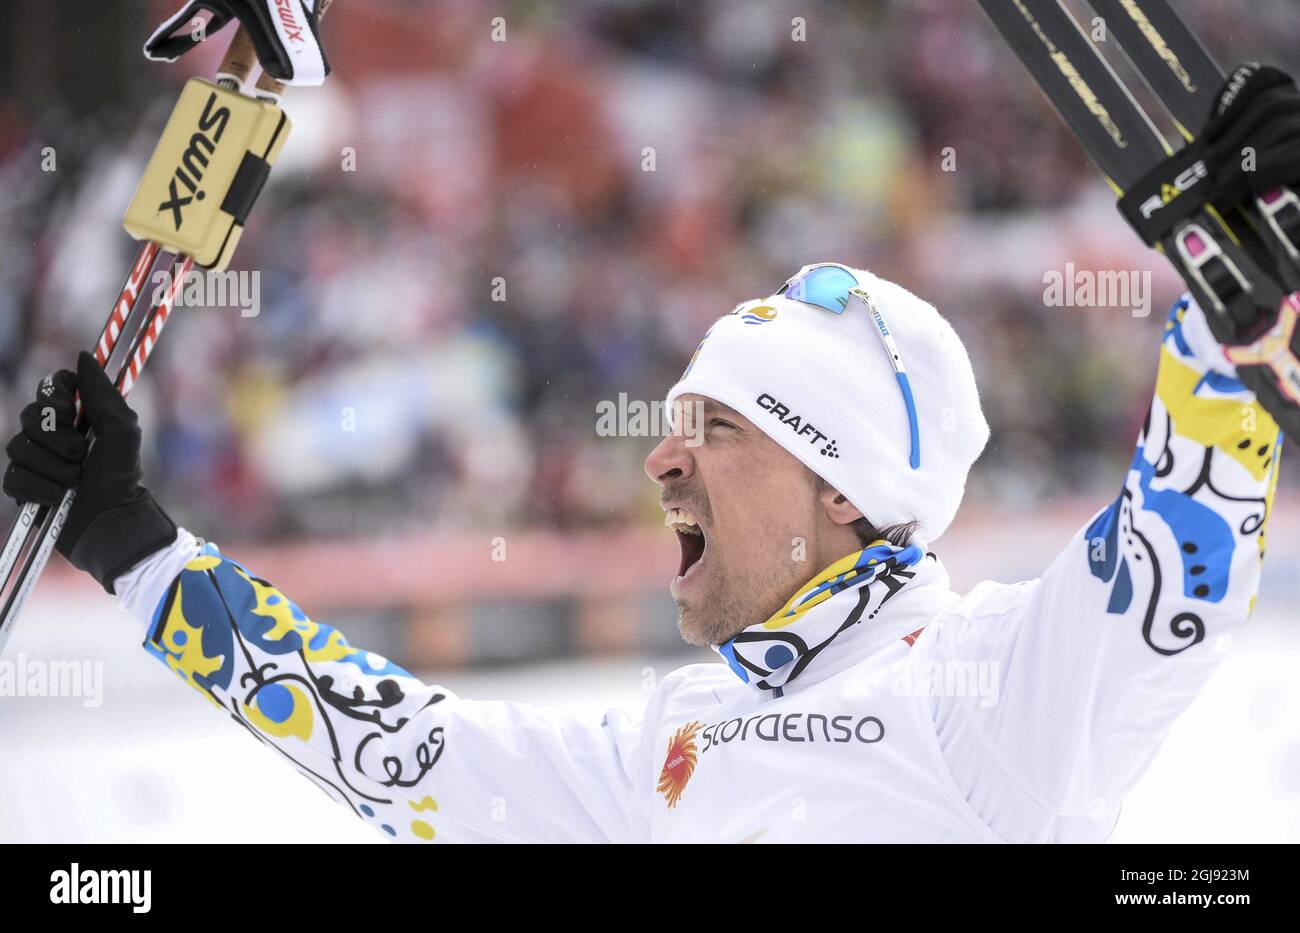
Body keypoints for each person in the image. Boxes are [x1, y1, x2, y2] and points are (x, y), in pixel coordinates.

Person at [3, 256, 1284, 842]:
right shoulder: (669, 748)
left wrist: (1238, 322)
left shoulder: (988, 690)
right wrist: (140, 549)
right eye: (669, 424)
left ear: (843, 492)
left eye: (715, 428)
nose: (660, 460)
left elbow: (1168, 558)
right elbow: (409, 756)